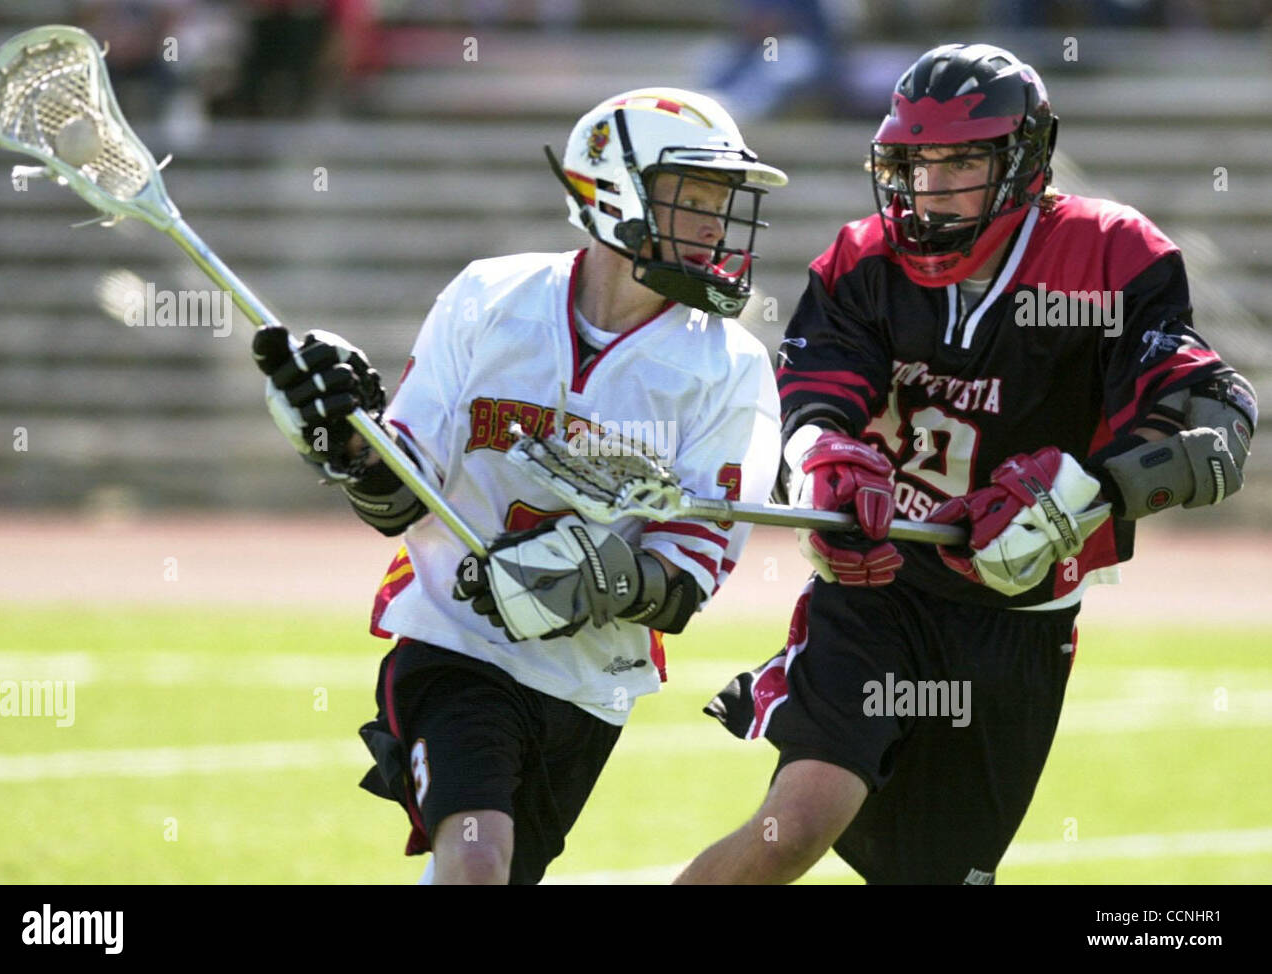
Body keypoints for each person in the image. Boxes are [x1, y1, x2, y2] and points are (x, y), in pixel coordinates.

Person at [676, 43, 1257, 885]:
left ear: (1023, 159)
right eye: (916, 160)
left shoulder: (1107, 254)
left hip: (1018, 611)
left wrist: (1084, 493)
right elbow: (810, 393)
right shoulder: (862, 260)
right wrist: (822, 466)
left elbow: (1207, 419)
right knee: (797, 822)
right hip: (883, 584)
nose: (933, 182)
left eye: (962, 158)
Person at [251, 88, 786, 884]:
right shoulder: (490, 299)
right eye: (694, 200)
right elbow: (401, 496)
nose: (715, 224)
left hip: (588, 683)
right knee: (476, 861)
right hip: (455, 641)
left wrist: (593, 579)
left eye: (722, 202)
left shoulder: (730, 367)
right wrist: (341, 440)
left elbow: (690, 573)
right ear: (615, 196)